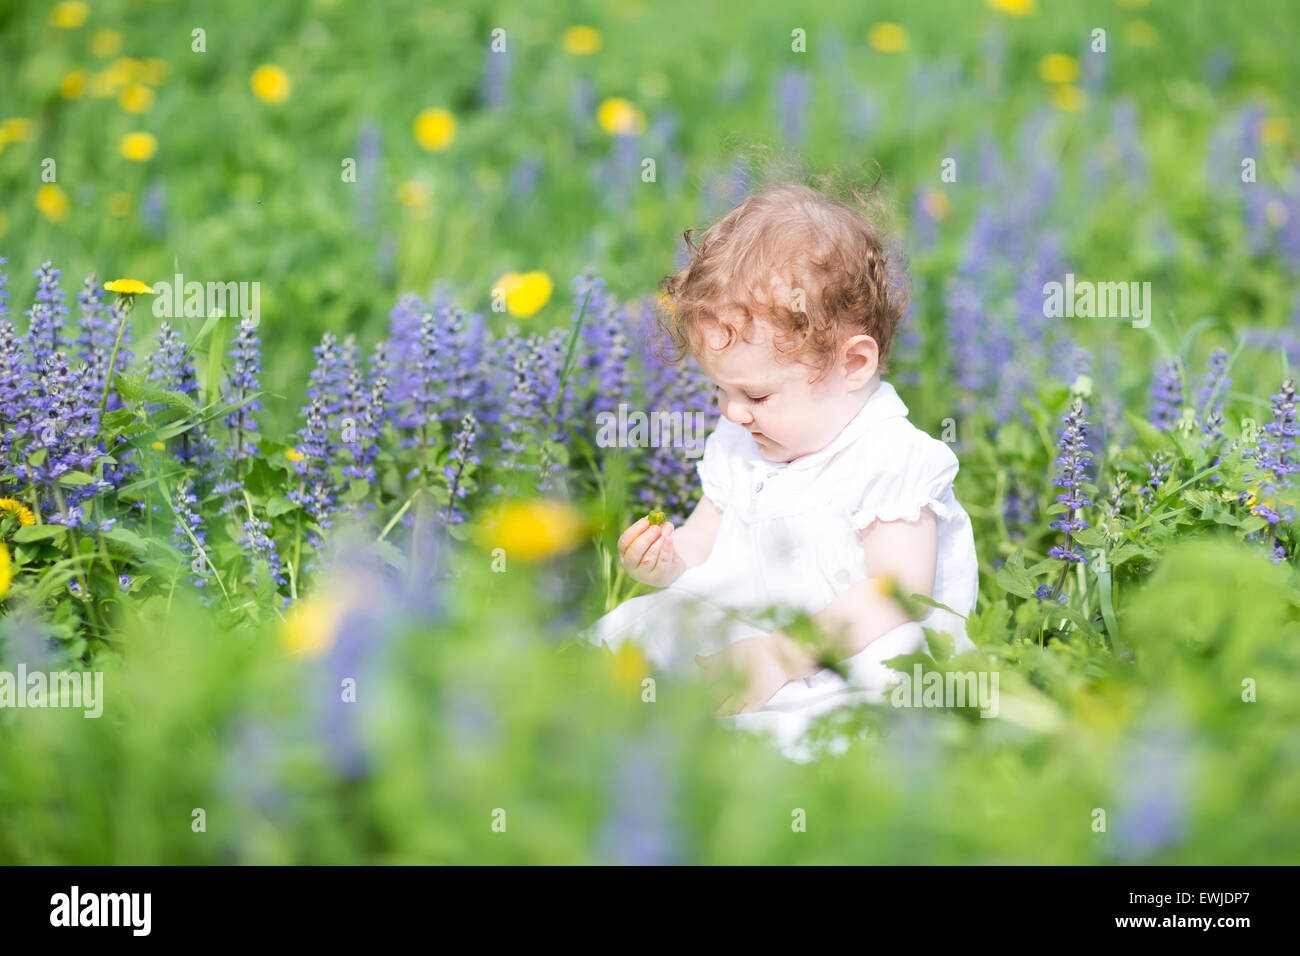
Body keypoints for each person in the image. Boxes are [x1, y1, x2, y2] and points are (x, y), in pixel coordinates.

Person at [580, 181, 980, 762]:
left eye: (756, 395)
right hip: (747, 623)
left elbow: (895, 597)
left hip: (849, 642)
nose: (732, 412)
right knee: (651, 631)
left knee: (894, 682)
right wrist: (668, 561)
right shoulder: (742, 439)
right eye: (719, 388)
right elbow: (706, 540)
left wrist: (778, 655)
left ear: (854, 364)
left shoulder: (891, 460)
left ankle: (775, 754)